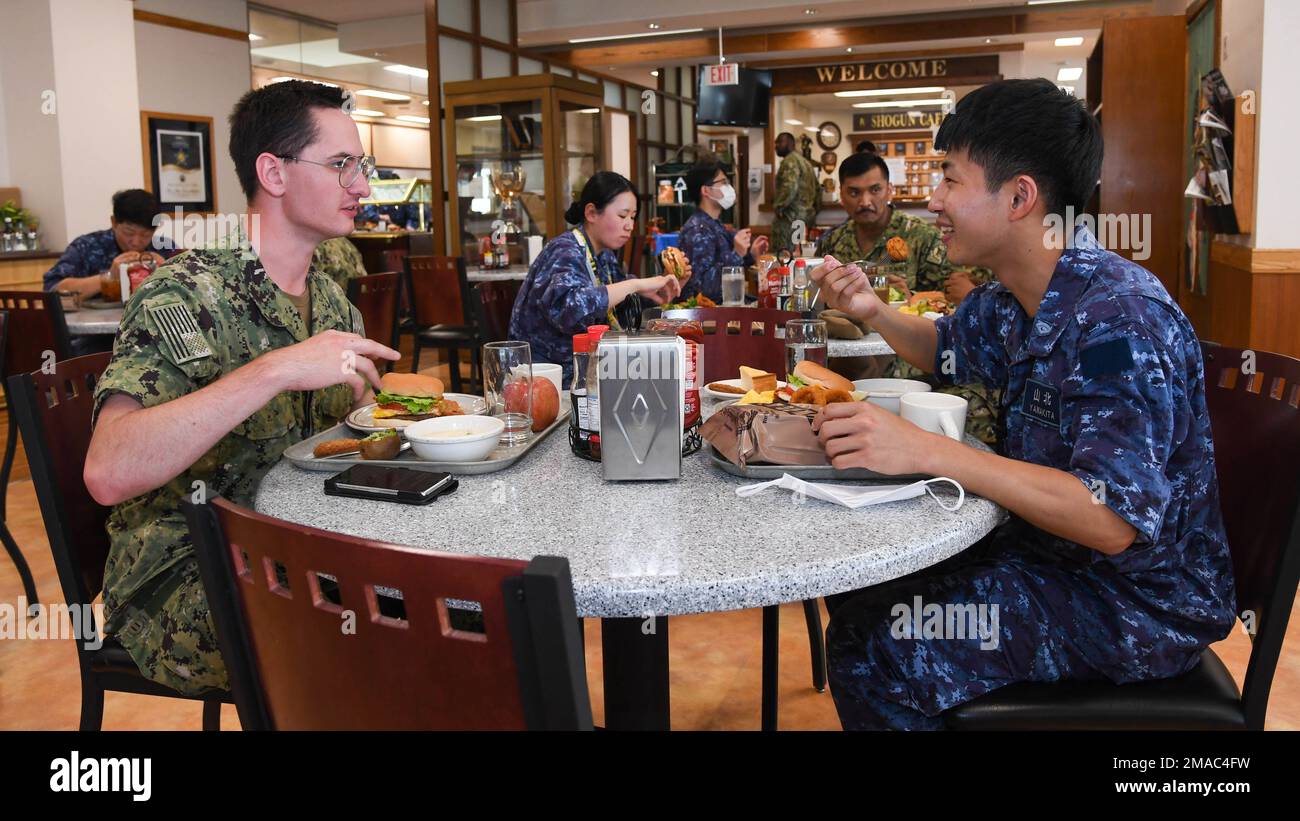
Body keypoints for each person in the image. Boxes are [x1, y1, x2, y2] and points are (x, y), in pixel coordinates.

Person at [808, 78, 1235, 730]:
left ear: (1019, 196)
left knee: (874, 646)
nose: (933, 197)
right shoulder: (1019, 295)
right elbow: (945, 347)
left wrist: (926, 449)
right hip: (1053, 557)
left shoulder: (1119, 317)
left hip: (1134, 600)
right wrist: (874, 311)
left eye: (950, 178)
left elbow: (1109, 516)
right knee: (857, 581)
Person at [82, 80, 400, 696]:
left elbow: (355, 430)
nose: (361, 187)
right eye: (341, 166)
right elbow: (108, 470)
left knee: (460, 602)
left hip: (296, 552)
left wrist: (397, 418)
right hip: (184, 580)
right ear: (273, 174)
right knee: (387, 639)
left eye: (361, 167)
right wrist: (276, 368)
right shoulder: (186, 295)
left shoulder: (332, 302)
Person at [815, 151, 998, 443]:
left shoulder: (922, 236)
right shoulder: (832, 242)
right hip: (848, 350)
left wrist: (912, 298)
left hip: (910, 359)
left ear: (889, 190)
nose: (865, 202)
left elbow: (954, 296)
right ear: (841, 195)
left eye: (875, 190)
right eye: (854, 192)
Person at [508, 171, 685, 384]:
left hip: (587, 369)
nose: (629, 225)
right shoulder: (565, 250)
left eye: (633, 216)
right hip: (547, 378)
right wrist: (634, 284)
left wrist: (656, 292)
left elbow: (616, 306)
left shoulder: (603, 255)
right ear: (591, 213)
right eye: (622, 216)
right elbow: (570, 310)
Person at [43, 188, 178, 298]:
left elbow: (195, 290)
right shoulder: (87, 246)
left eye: (145, 235)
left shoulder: (165, 248)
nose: (136, 242)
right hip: (96, 328)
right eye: (129, 233)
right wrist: (109, 277)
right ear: (114, 222)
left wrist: (168, 272)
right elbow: (52, 290)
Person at [676, 161, 768, 302]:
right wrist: (737, 254)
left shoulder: (714, 224)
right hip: (708, 312)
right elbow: (703, 289)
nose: (729, 188)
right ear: (706, 190)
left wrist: (750, 254)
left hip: (728, 303)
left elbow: (726, 262)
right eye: (723, 182)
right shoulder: (696, 231)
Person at [771, 132, 819, 254]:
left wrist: (779, 206)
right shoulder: (806, 163)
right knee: (799, 254)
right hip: (804, 218)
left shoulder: (789, 161)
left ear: (790, 143)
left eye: (779, 142)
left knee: (785, 256)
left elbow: (789, 187)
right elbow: (818, 190)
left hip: (789, 218)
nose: (776, 146)